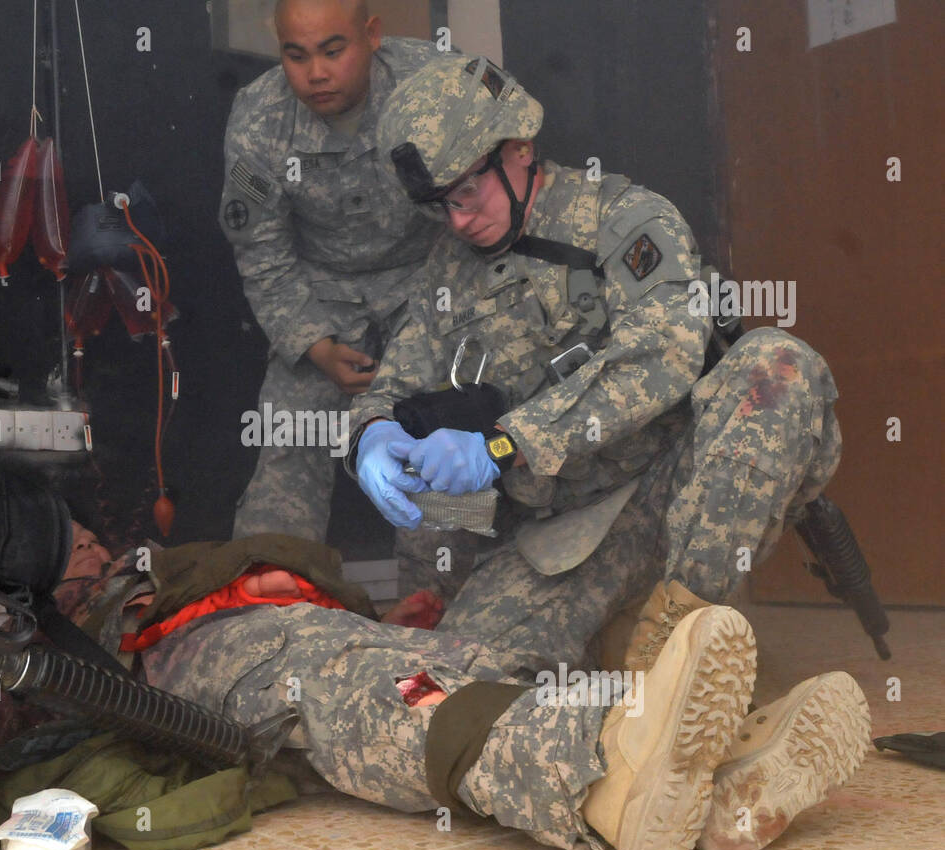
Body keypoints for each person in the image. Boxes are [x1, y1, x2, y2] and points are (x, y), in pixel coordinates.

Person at [346, 55, 848, 695]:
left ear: (519, 149)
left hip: (678, 485)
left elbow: (660, 354)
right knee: (455, 690)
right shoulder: (448, 271)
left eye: (467, 194)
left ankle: (682, 644)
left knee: (777, 362)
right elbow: (392, 385)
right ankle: (613, 656)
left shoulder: (625, 220)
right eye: (439, 206)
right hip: (569, 533)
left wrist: (506, 443)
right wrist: (371, 437)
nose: (458, 221)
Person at [47, 521, 870, 850]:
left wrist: (363, 608)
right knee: (387, 699)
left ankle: (716, 784)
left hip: (310, 628)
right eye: (75, 553)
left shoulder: (165, 569)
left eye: (91, 538)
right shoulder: (82, 639)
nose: (94, 548)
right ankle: (608, 777)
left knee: (467, 661)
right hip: (239, 659)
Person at [219, 0, 464, 596]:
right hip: (320, 298)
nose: (316, 73)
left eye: (333, 50)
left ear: (372, 34)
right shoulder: (260, 119)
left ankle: (438, 623)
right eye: (295, 55)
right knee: (288, 453)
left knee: (436, 453)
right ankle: (269, 626)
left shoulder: (437, 87)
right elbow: (263, 253)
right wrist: (316, 346)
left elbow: (487, 206)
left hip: (431, 287)